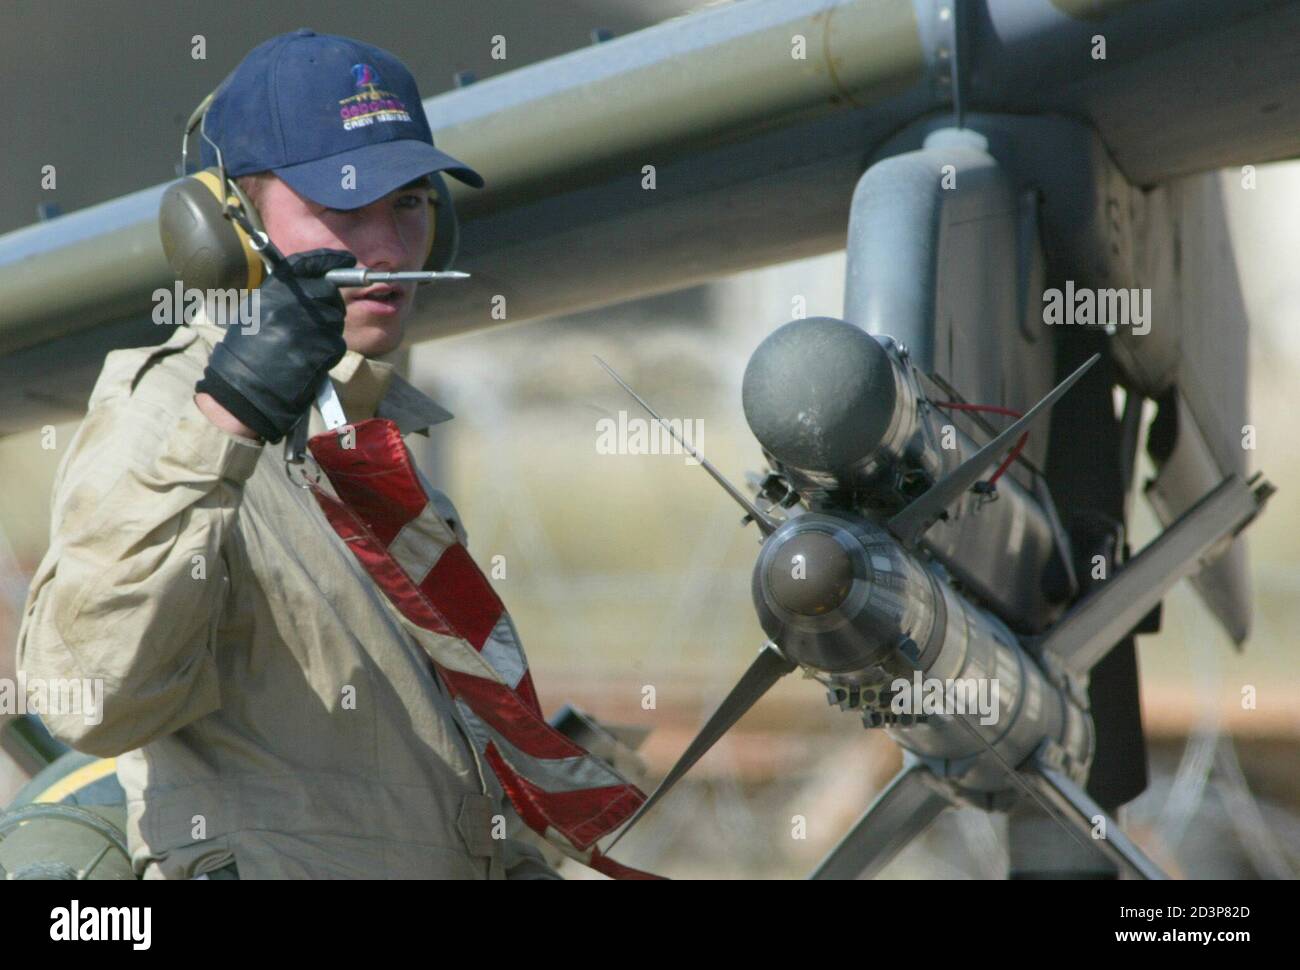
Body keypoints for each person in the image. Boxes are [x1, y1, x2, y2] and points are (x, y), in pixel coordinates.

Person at [15, 28, 562, 879]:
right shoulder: (166, 407)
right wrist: (225, 424)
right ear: (228, 225)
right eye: (344, 209)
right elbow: (88, 697)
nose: (385, 250)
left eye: (411, 204)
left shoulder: (364, 425)